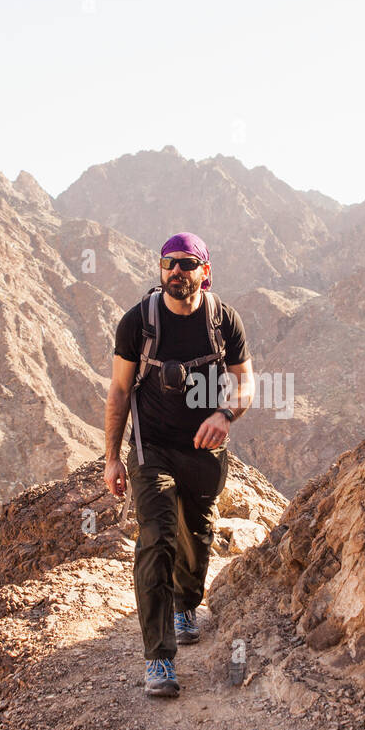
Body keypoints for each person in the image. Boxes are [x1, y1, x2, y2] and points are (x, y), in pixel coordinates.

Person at [104, 232, 254, 697]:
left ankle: (187, 604)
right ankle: (159, 660)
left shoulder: (224, 322)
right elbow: (120, 391)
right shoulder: (138, 323)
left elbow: (245, 384)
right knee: (157, 537)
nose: (176, 272)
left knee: (198, 531)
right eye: (169, 263)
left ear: (205, 272)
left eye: (187, 264)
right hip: (153, 451)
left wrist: (224, 414)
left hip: (204, 451)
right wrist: (111, 457)